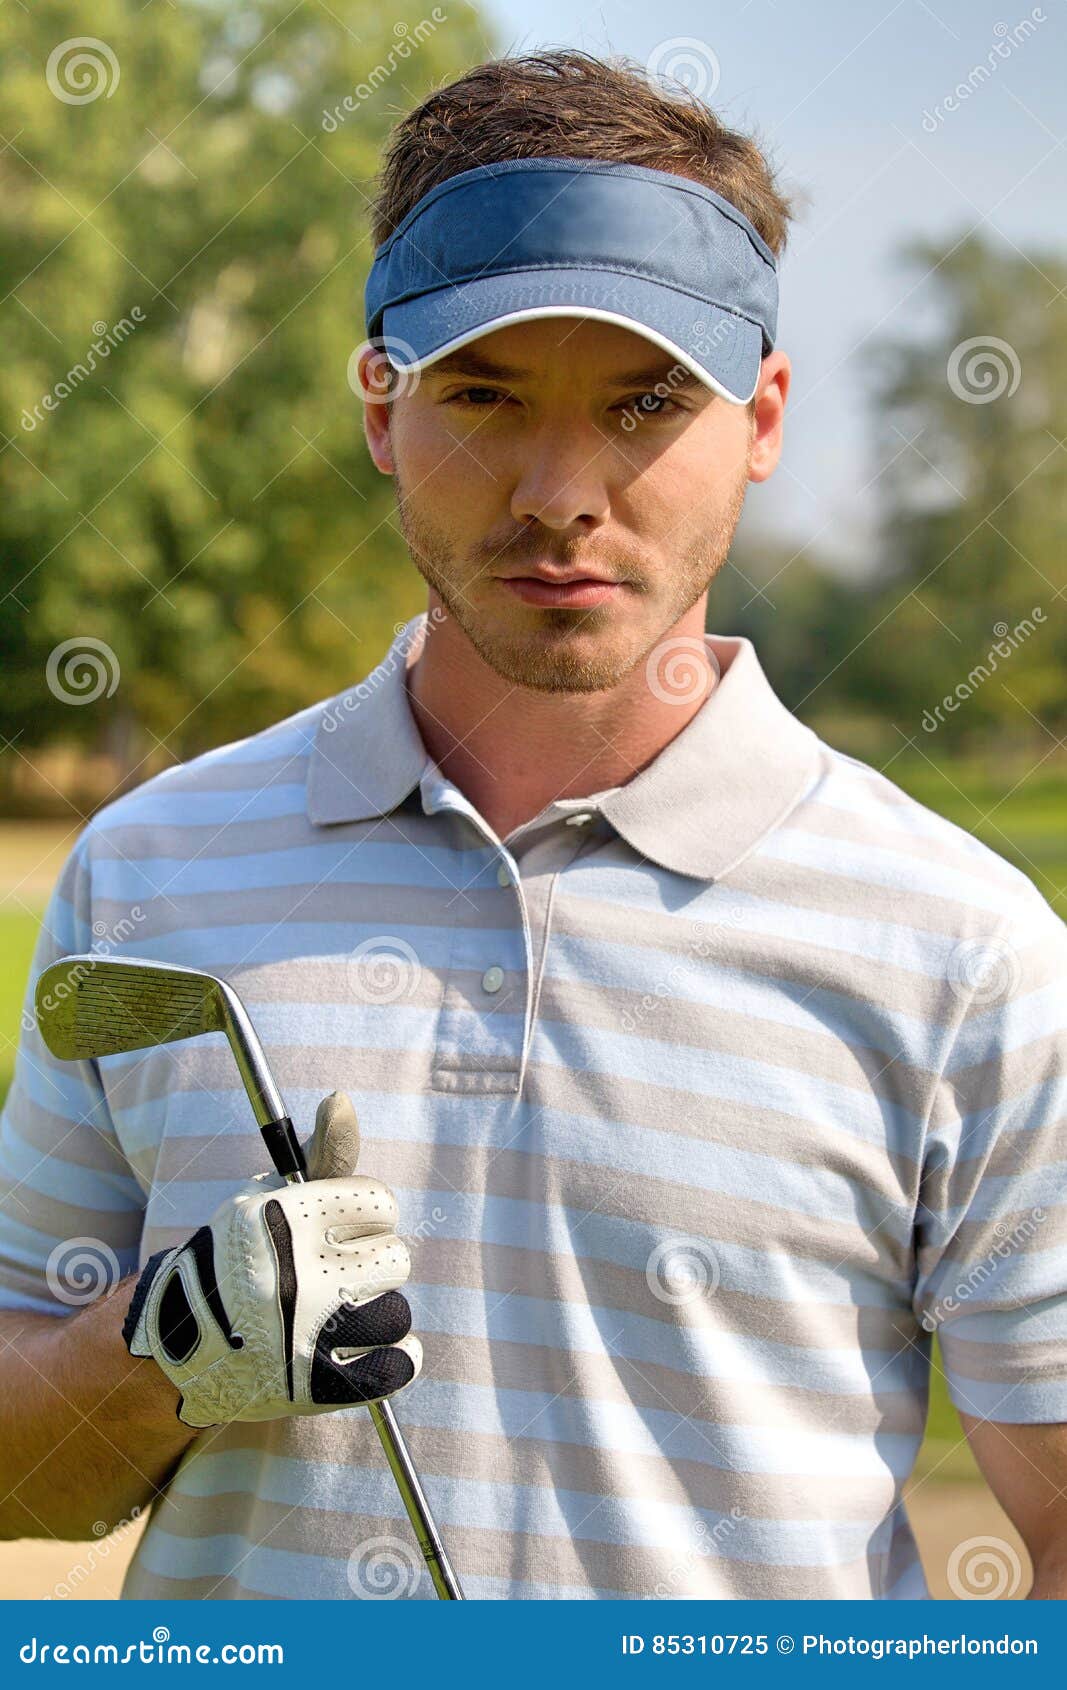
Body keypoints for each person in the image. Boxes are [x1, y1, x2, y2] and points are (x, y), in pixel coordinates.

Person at [1, 49, 1065, 1602]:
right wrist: (164, 1348)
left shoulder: (964, 950)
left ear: (762, 417)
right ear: (381, 410)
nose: (562, 491)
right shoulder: (151, 869)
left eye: (646, 402)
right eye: (483, 396)